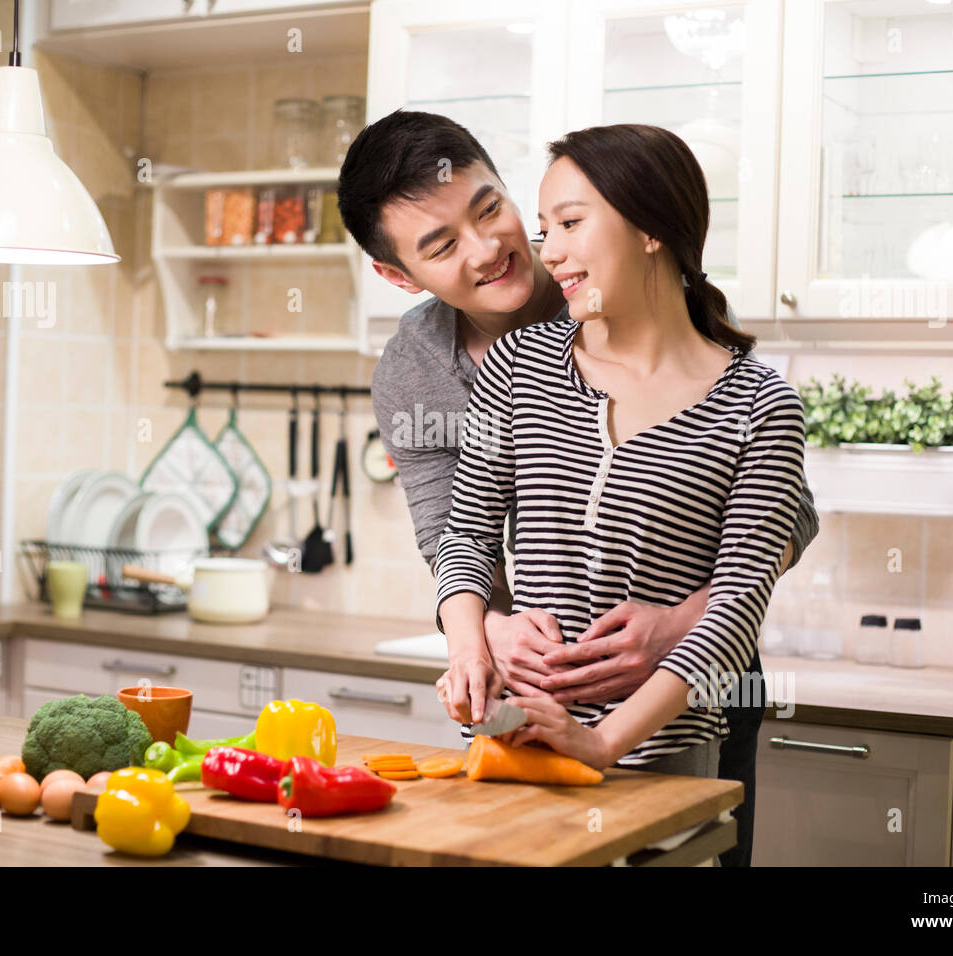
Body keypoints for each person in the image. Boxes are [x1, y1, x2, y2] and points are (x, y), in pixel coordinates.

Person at [338, 111, 818, 867]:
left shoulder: (703, 354)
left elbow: (777, 534)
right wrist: (482, 636)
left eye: (492, 209)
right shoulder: (428, 370)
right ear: (400, 277)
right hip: (535, 697)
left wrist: (679, 629)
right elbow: (454, 533)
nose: (495, 247)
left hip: (688, 703)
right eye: (441, 245)